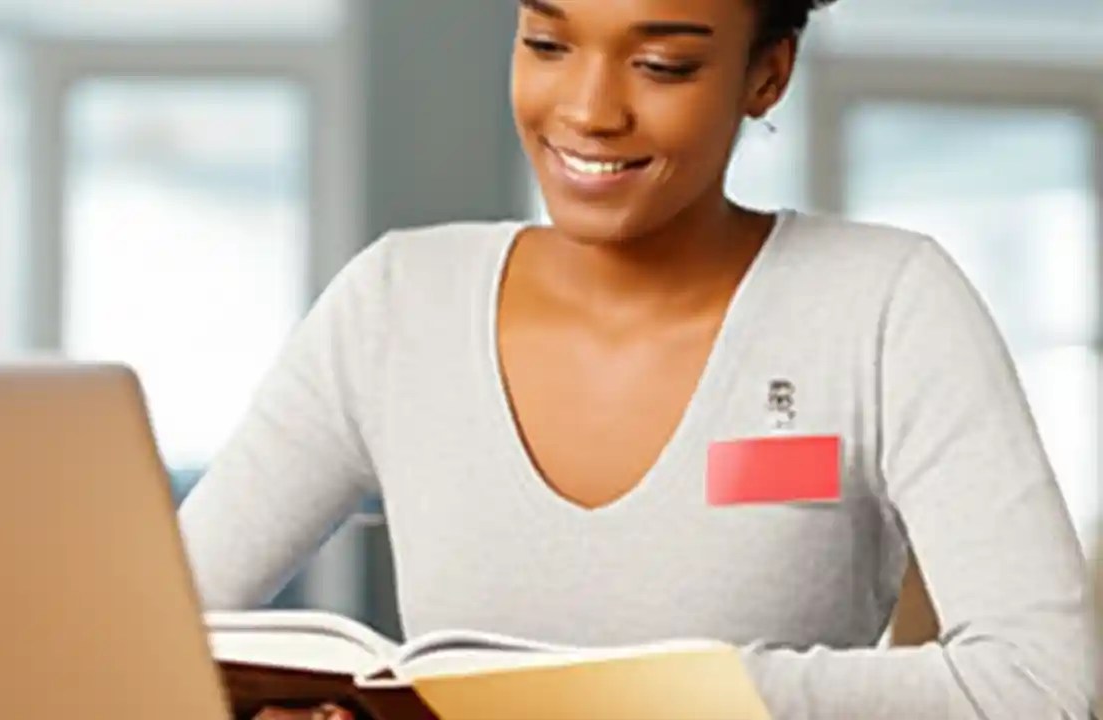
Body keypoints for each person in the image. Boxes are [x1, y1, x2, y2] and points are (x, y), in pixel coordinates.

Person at [179, 0, 1096, 717]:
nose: (587, 110)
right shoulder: (392, 305)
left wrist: (642, 697)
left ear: (766, 74)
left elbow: (1040, 687)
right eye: (546, 44)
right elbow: (148, 640)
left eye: (662, 65)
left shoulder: (887, 305)